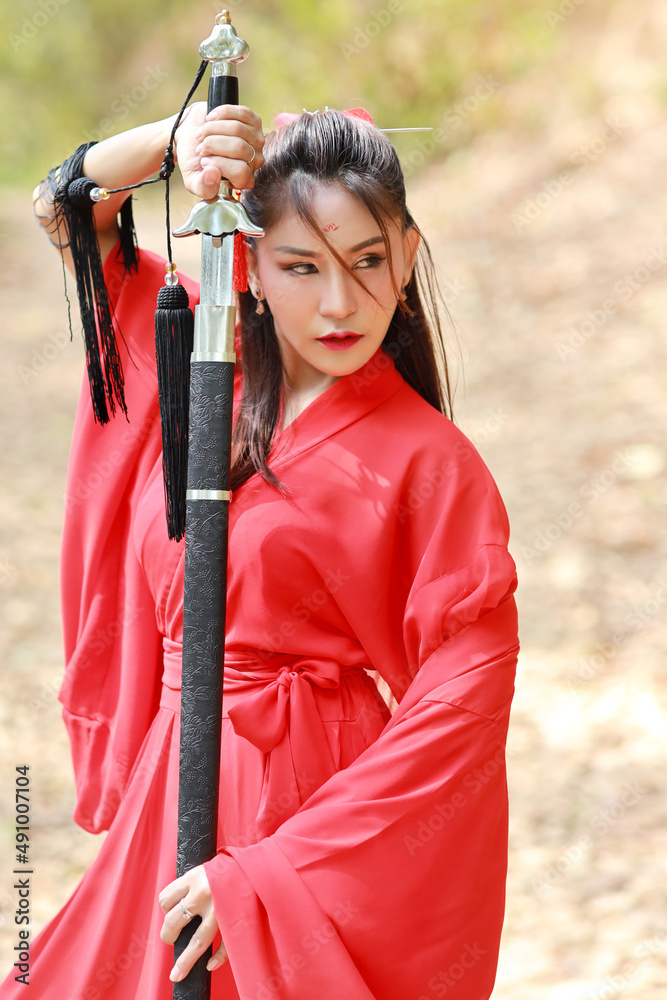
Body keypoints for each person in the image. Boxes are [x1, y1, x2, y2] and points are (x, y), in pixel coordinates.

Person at [2, 99, 519, 1000]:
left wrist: (276, 870)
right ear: (248, 263)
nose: (337, 302)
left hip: (310, 812)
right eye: (299, 266)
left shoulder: (430, 460)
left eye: (366, 262)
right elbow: (65, 210)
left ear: (406, 256)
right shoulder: (200, 360)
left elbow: (465, 696)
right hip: (174, 774)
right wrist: (175, 142)